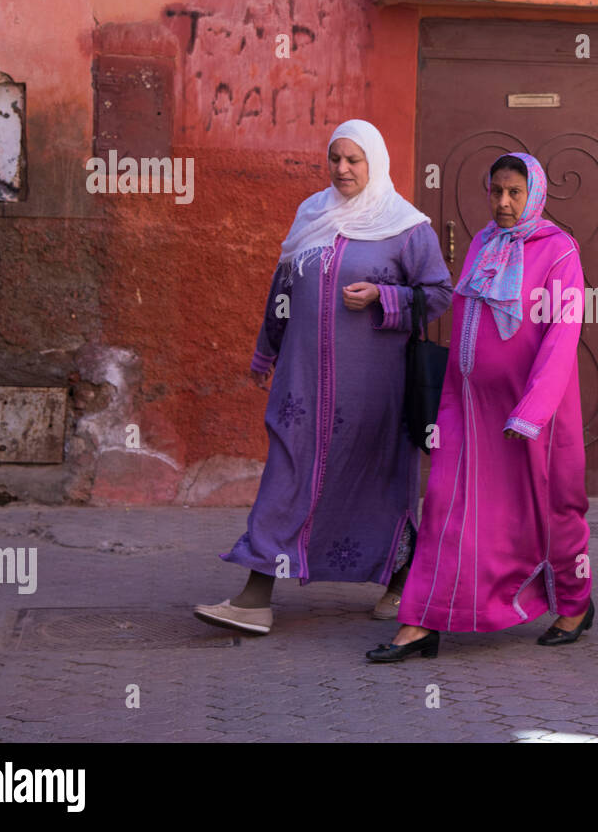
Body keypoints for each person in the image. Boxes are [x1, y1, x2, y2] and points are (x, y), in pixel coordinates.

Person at [194, 119, 452, 634]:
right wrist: (266, 350)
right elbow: (283, 286)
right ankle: (255, 597)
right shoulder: (312, 214)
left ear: (374, 163)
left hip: (374, 389)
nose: (342, 169)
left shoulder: (406, 226)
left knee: (375, 483)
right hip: (303, 384)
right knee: (287, 475)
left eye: (353, 160)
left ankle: (401, 577)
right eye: (335, 158)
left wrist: (386, 297)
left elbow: (440, 293)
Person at [367, 152, 592, 662]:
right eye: (496, 192)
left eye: (514, 192)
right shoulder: (482, 243)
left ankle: (575, 602)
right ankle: (422, 620)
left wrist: (531, 412)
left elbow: (562, 337)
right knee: (445, 503)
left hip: (533, 415)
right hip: (468, 408)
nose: (504, 203)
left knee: (553, 507)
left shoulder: (560, 252)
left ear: (535, 193)